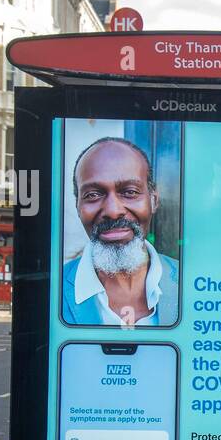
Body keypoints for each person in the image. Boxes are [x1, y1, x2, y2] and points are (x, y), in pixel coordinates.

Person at [62, 137, 178, 327]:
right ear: (78, 206)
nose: (113, 211)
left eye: (130, 192)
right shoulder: (49, 289)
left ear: (154, 201)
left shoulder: (195, 285)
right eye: (93, 195)